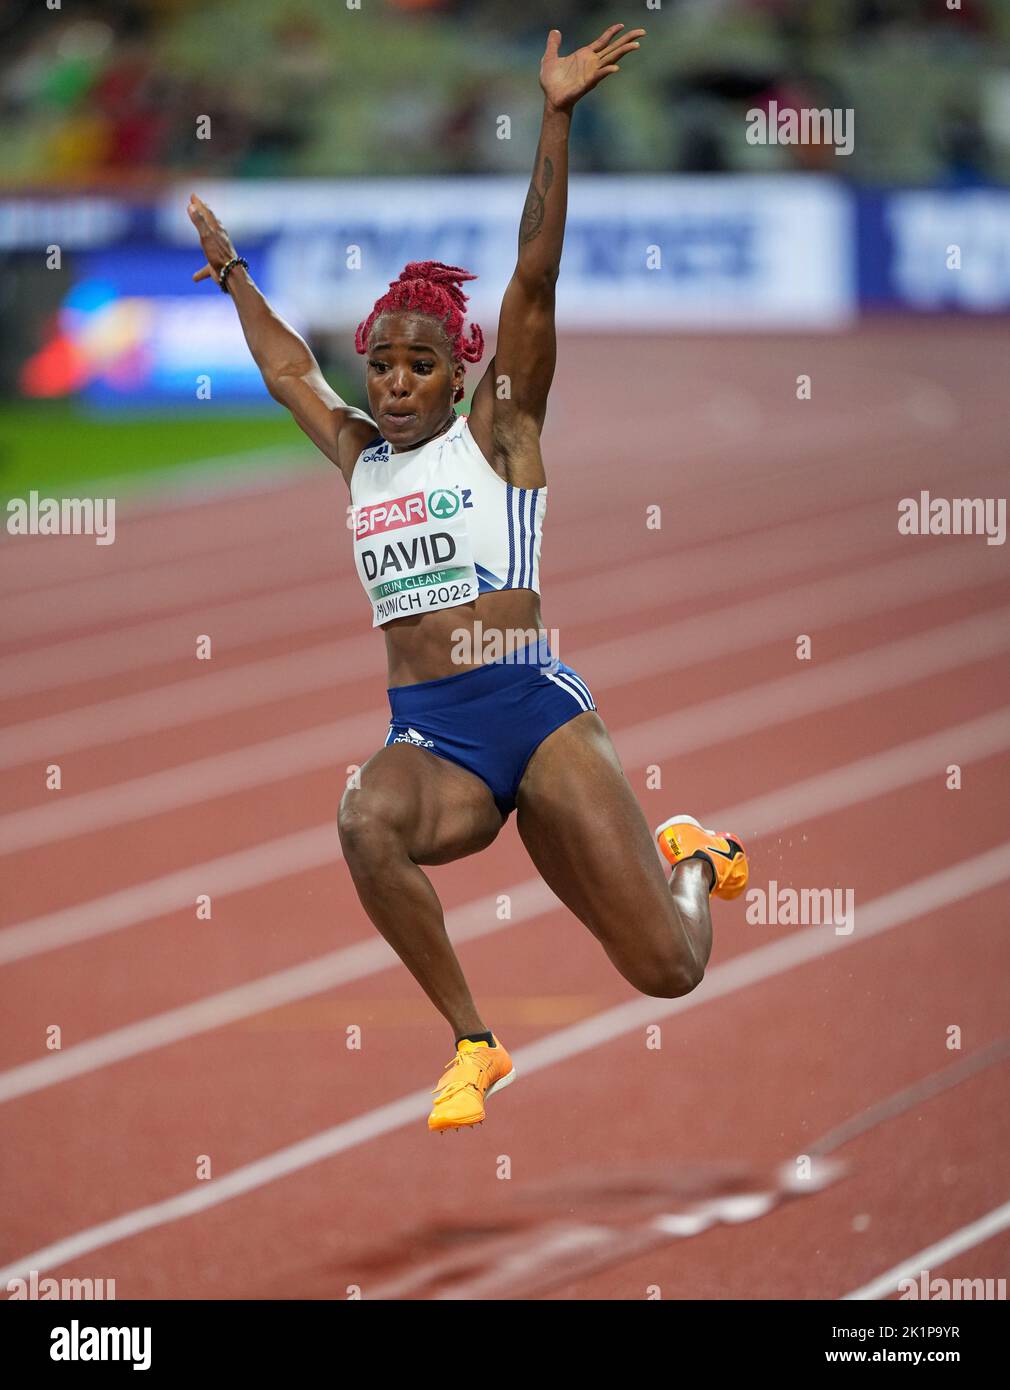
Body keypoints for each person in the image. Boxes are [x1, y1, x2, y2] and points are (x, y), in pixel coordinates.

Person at [187, 23, 748, 1135]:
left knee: (669, 968)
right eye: (381, 364)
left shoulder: (499, 434)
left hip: (531, 715)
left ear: (459, 371)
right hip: (430, 737)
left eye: (418, 365)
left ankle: (688, 852)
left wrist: (555, 114)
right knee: (362, 821)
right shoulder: (359, 453)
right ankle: (474, 1041)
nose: (392, 384)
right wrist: (234, 276)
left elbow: (533, 275)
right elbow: (287, 368)